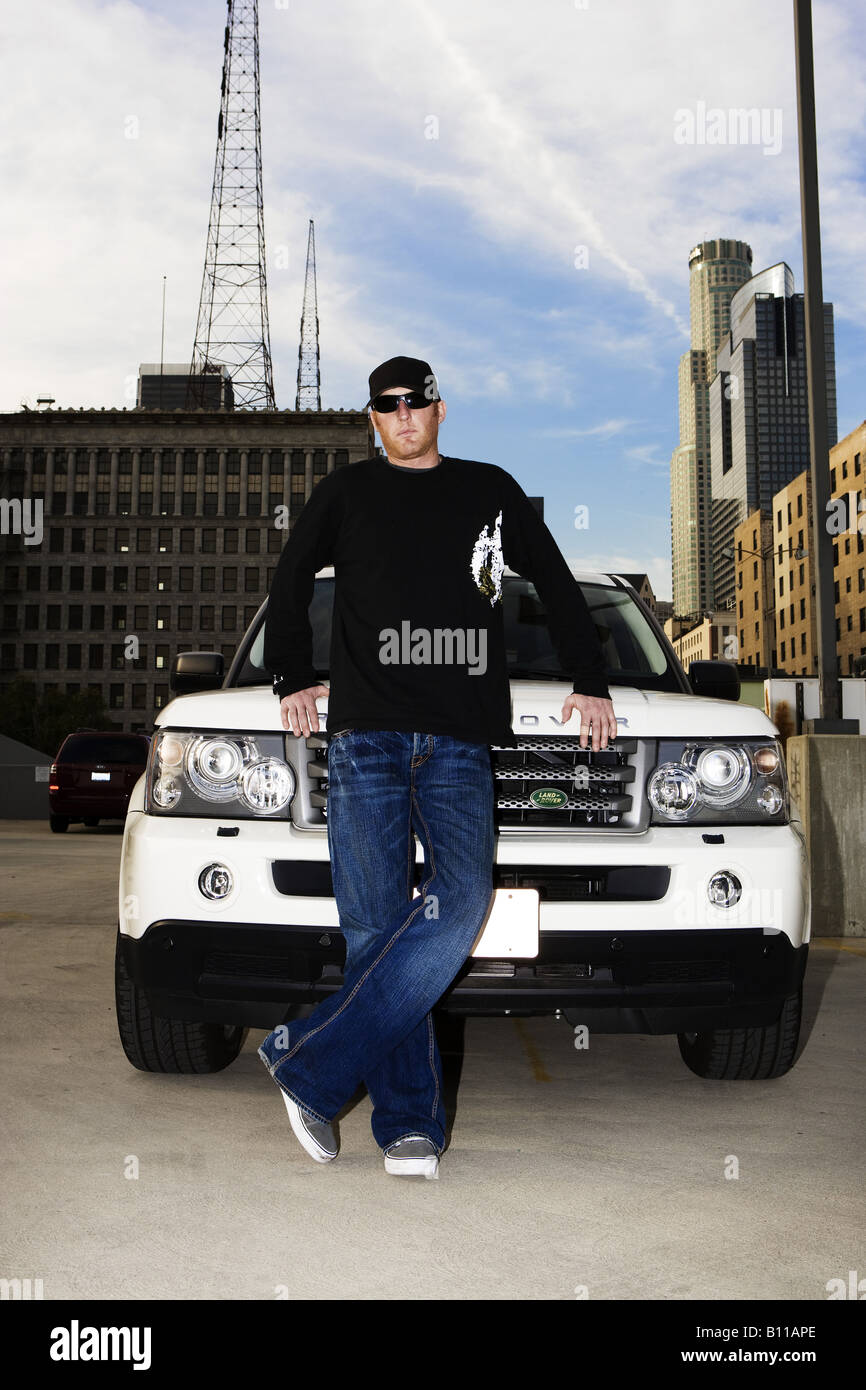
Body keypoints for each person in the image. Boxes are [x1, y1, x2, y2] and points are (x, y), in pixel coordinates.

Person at [258, 355, 616, 1179]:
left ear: (440, 410)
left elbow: (557, 582)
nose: (403, 416)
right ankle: (409, 1124)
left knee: (462, 900)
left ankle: (307, 1060)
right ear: (374, 420)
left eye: (415, 403)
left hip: (458, 737)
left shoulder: (488, 487)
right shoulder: (347, 493)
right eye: (387, 407)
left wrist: (589, 680)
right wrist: (290, 673)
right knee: (374, 930)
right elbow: (289, 577)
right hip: (367, 737)